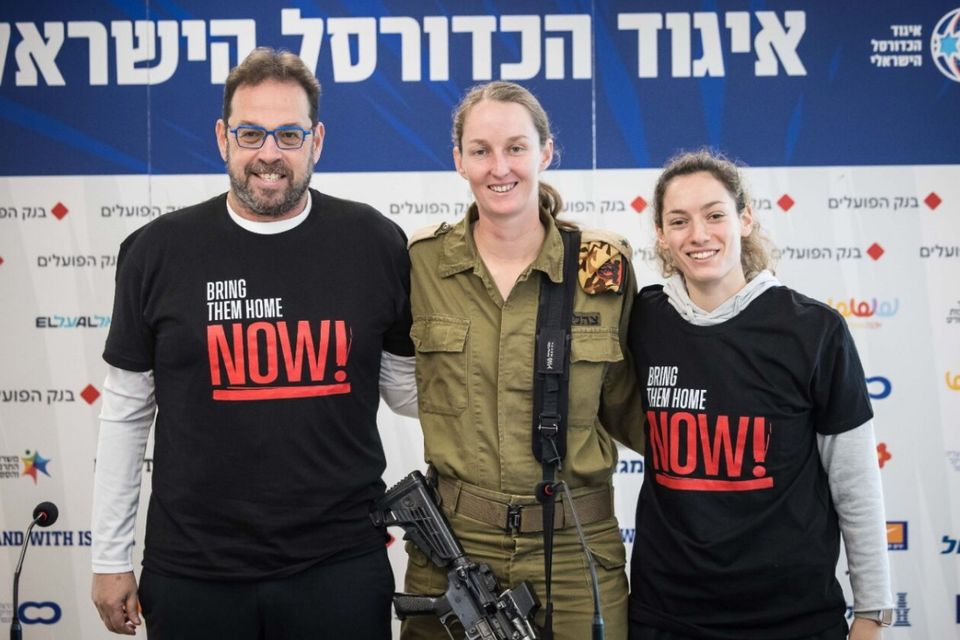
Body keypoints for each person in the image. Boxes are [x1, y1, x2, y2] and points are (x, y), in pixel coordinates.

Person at [90, 47, 416, 639]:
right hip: (194, 572)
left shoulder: (375, 243)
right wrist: (109, 558)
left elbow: (408, 389)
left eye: (289, 134)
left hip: (339, 566)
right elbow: (125, 412)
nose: (269, 153)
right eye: (251, 133)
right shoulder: (156, 251)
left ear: (317, 140)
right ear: (223, 138)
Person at [402, 81, 643, 640]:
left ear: (546, 152)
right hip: (454, 545)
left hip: (577, 547)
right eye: (481, 150)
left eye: (516, 147)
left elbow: (640, 406)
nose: (499, 167)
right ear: (459, 160)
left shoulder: (602, 268)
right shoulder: (423, 264)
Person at [626, 150, 893, 640]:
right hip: (666, 617)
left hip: (793, 619)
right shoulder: (643, 321)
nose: (699, 234)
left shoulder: (812, 331)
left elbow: (855, 481)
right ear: (662, 236)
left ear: (745, 219)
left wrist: (872, 614)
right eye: (679, 221)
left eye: (714, 215)